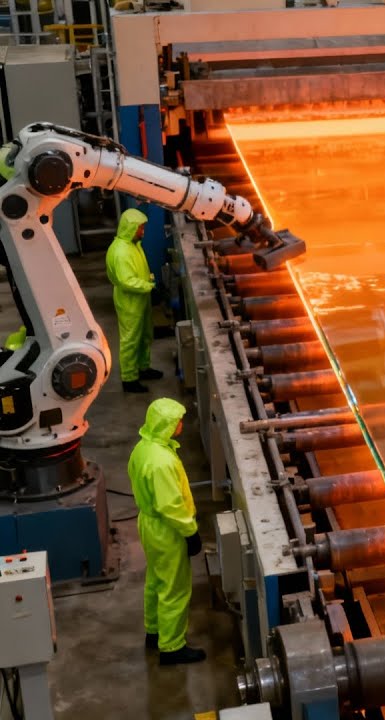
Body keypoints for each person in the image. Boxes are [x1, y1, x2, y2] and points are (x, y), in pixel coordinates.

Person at [129, 397, 206, 665]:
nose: (181, 425)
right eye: (177, 421)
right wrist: (190, 532)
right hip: (167, 530)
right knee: (175, 588)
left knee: (156, 580)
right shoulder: (161, 462)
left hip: (149, 524)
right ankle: (172, 647)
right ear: (167, 425)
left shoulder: (144, 448)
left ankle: (154, 632)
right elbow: (171, 505)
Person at [106, 208, 163, 393]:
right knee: (130, 339)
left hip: (141, 298)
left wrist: (149, 283)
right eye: (140, 228)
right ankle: (129, 379)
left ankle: (143, 367)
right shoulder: (121, 252)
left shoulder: (133, 244)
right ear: (130, 228)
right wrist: (150, 287)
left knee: (145, 334)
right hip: (129, 301)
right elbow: (126, 281)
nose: (143, 231)